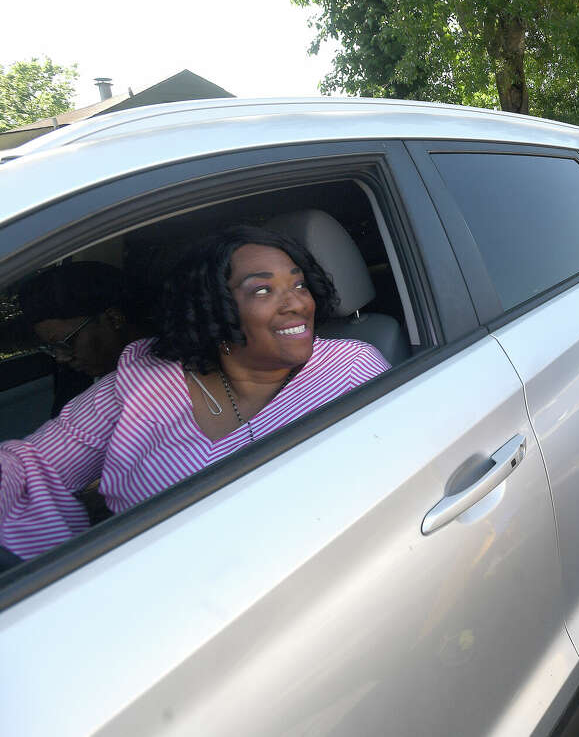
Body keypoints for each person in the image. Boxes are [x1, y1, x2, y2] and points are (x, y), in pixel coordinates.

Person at [0, 227, 390, 560]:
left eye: (299, 283)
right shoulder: (143, 379)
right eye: (263, 290)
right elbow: (31, 463)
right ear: (212, 309)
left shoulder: (351, 369)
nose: (297, 304)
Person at [16, 261, 148, 412]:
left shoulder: (166, 381)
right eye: (53, 348)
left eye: (67, 343)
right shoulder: (75, 384)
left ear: (114, 318)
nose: (61, 358)